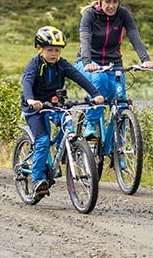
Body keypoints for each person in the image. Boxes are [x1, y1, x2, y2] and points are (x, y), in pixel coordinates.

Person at [21, 26, 104, 196]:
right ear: (39, 48)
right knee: (43, 141)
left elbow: (79, 77)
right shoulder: (34, 65)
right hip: (35, 108)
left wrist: (95, 94)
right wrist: (31, 99)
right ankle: (37, 179)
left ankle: (63, 154)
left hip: (55, 105)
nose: (53, 54)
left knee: (69, 125)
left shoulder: (62, 64)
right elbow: (27, 82)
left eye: (56, 50)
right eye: (49, 50)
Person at [76, 0, 153, 152]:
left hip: (114, 65)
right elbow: (85, 39)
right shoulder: (89, 15)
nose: (111, 6)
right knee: (100, 79)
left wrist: (145, 59)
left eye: (115, 2)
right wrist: (88, 62)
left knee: (122, 104)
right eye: (108, 1)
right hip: (88, 63)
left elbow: (134, 36)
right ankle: (90, 123)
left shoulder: (123, 15)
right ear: (100, 0)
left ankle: (118, 151)